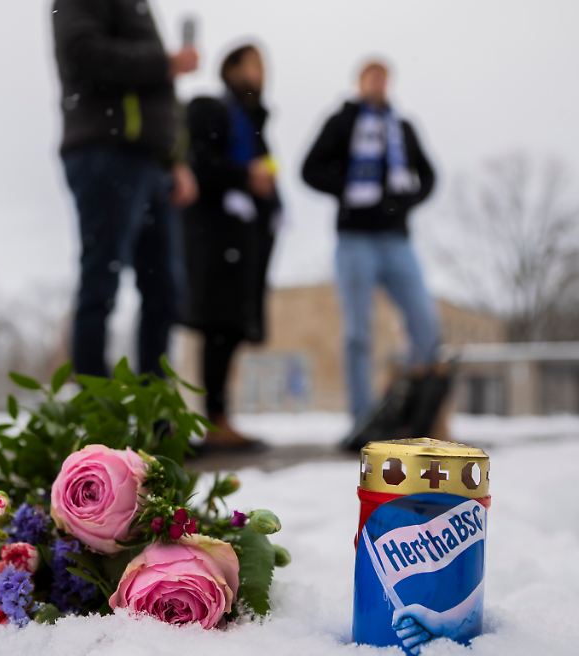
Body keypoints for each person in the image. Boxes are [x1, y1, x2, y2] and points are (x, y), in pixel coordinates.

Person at [51, 0, 199, 378]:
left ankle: (155, 412)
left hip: (153, 164)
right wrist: (163, 63)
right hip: (105, 151)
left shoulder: (138, 8)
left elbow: (161, 102)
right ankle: (94, 407)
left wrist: (176, 159)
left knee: (164, 291)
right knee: (101, 279)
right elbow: (82, 55)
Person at [301, 59, 442, 426]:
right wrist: (348, 187)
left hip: (397, 239)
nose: (377, 83)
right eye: (371, 77)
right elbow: (310, 169)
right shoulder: (342, 122)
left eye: (383, 77)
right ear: (360, 82)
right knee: (358, 332)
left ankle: (414, 409)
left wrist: (407, 200)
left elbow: (428, 175)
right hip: (355, 239)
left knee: (425, 323)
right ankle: (363, 418)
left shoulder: (403, 127)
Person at [182, 44, 279, 446]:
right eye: (254, 64)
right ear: (231, 68)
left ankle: (220, 417)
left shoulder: (255, 124)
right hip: (214, 238)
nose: (261, 73)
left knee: (232, 330)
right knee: (216, 328)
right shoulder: (210, 109)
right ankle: (211, 419)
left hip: (245, 241)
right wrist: (245, 175)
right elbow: (200, 163)